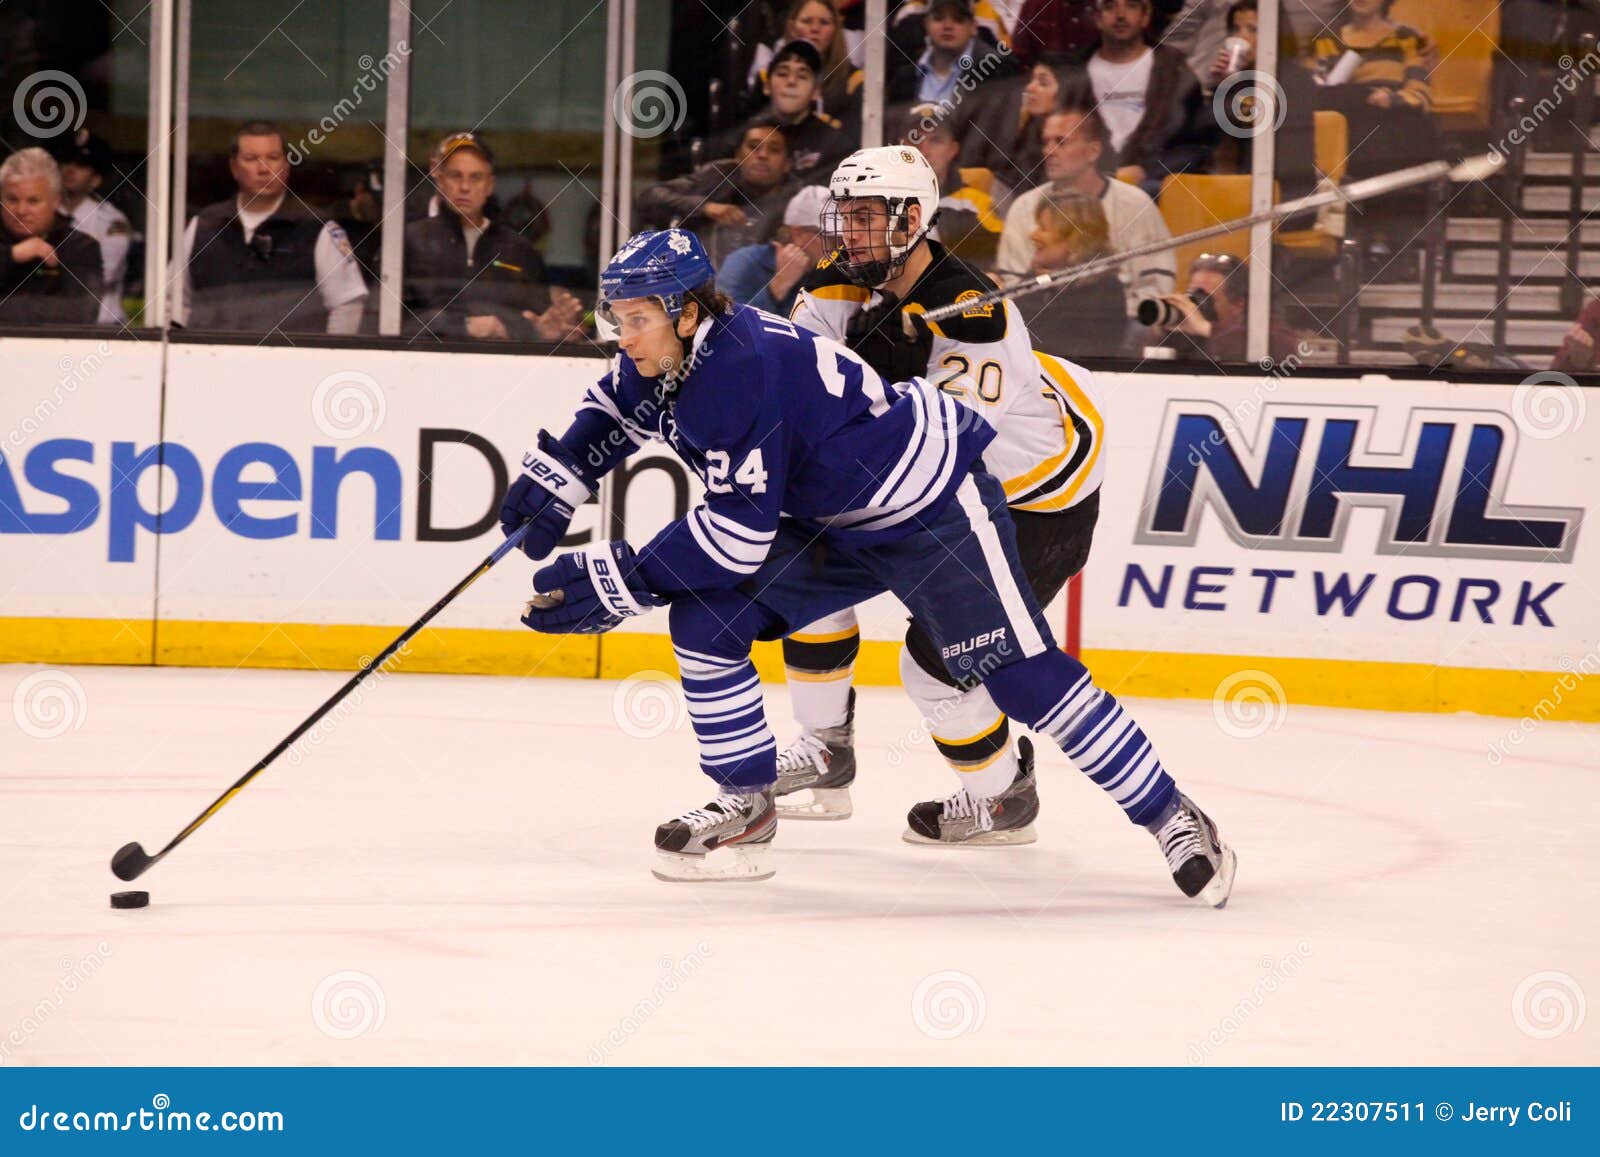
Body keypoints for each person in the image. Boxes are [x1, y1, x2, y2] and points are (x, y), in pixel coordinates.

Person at [498, 227, 1236, 905]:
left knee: (1019, 674)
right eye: (618, 319)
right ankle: (746, 807)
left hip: (931, 508)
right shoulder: (673, 352)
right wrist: (560, 469)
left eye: (637, 320)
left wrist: (619, 578)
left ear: (687, 314)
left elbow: (735, 539)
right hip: (835, 521)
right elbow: (615, 407)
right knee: (706, 616)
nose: (623, 337)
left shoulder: (738, 373)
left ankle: (1173, 813)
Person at [779, 146, 1101, 845]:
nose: (850, 232)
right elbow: (794, 391)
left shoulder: (973, 313)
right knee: (799, 567)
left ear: (914, 219)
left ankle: (1003, 798)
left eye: (868, 217)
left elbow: (940, 451)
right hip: (925, 487)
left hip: (1037, 501)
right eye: (847, 215)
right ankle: (826, 751)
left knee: (938, 667)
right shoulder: (839, 283)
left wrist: (894, 375)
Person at [174, 121, 368, 335]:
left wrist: (323, 359)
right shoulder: (204, 225)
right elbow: (173, 302)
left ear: (286, 166)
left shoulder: (316, 227)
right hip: (210, 361)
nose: (263, 169)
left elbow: (347, 304)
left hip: (290, 363)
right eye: (251, 159)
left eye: (273, 158)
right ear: (234, 168)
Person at [402, 131, 584, 343]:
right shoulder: (408, 242)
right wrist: (462, 326)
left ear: (490, 185)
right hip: (423, 370)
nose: (464, 187)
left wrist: (545, 333)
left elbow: (537, 325)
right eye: (455, 175)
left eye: (476, 177)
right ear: (440, 180)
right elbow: (382, 323)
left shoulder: (520, 251)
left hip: (504, 372)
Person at [997, 105, 1175, 314]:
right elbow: (1012, 284)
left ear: (1093, 151)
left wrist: (1120, 319)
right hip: (1040, 319)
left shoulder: (1137, 204)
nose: (1049, 151)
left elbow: (1157, 283)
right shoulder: (1024, 206)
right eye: (1046, 142)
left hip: (1120, 322)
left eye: (1062, 142)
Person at [636, 117, 801, 266]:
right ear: (738, 155)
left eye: (774, 149)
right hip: (708, 277)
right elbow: (650, 195)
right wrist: (706, 207)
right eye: (754, 147)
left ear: (787, 163)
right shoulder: (720, 173)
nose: (763, 155)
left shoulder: (798, 195)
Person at [1085, 0, 1208, 195]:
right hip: (1085, 186)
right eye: (1110, 6)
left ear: (1146, 16)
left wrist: (1146, 171)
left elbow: (1193, 144)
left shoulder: (1173, 70)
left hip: (1155, 187)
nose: (1120, 15)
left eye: (1131, 6)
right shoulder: (1075, 73)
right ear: (1097, 17)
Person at [1018, 193, 1133, 356]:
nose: (1033, 235)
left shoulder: (1104, 290)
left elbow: (1056, 349)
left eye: (1043, 228)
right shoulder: (1037, 278)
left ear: (1075, 240)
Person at [0, 147, 102, 326]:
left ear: (56, 201)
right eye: (12, 199)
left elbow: (81, 312)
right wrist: (10, 255)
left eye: (33, 201)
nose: (21, 211)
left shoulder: (80, 246)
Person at [1150, 252, 1300, 363]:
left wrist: (1206, 328)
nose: (1194, 305)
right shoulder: (1186, 329)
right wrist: (1160, 330)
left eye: (1204, 298)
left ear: (1238, 304)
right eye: (1193, 294)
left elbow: (1286, 349)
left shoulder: (1261, 324)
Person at [901, 107, 1006, 266]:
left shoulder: (975, 201)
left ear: (952, 150)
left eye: (935, 141)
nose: (924, 150)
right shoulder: (878, 201)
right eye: (915, 139)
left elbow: (999, 252)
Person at [716, 184, 833, 315]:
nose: (841, 245)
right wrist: (778, 285)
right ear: (798, 235)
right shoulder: (744, 262)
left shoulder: (837, 271)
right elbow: (724, 325)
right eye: (831, 238)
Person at [745, 0, 864, 127]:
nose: (815, 29)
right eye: (806, 21)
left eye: (824, 22)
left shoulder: (854, 81)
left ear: (836, 28)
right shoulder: (768, 76)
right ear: (792, 27)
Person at [54, 130, 131, 326]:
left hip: (102, 326)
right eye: (66, 161)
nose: (70, 169)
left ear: (96, 179)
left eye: (81, 165)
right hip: (51, 319)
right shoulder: (43, 213)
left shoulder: (112, 222)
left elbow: (99, 275)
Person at [757, 40, 853, 185]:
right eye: (782, 73)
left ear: (816, 91)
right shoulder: (747, 137)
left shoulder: (835, 145)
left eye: (802, 76)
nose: (791, 81)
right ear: (766, 86)